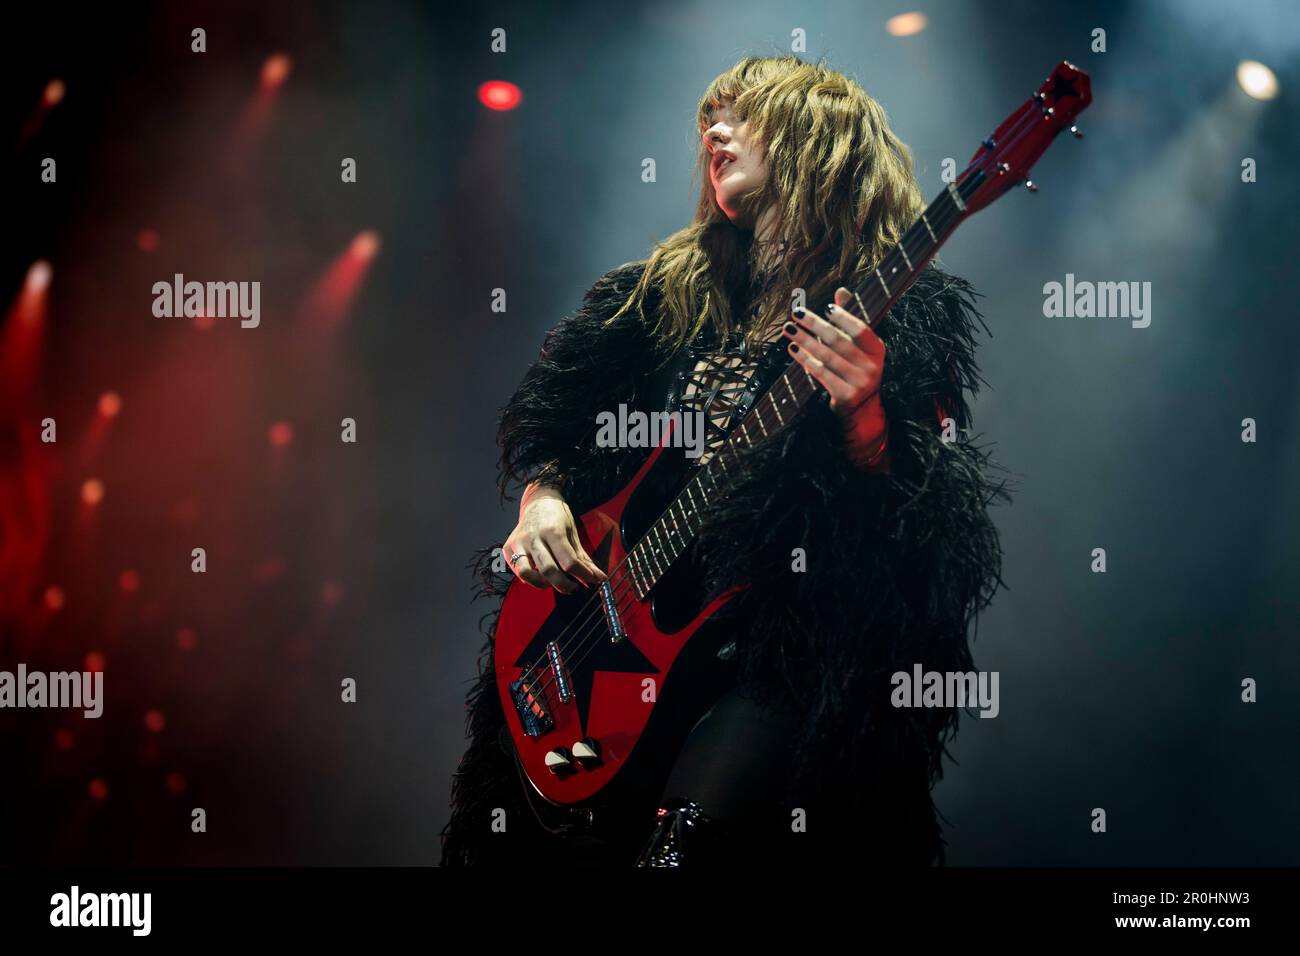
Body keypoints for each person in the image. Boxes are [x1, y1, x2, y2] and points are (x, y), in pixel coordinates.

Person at [440, 54, 1007, 868]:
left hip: (773, 667)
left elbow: (923, 553)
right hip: (603, 654)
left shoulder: (902, 319)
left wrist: (865, 420)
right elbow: (564, 441)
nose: (713, 130)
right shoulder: (650, 302)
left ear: (819, 141)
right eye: (710, 116)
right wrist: (543, 501)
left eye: (743, 115)